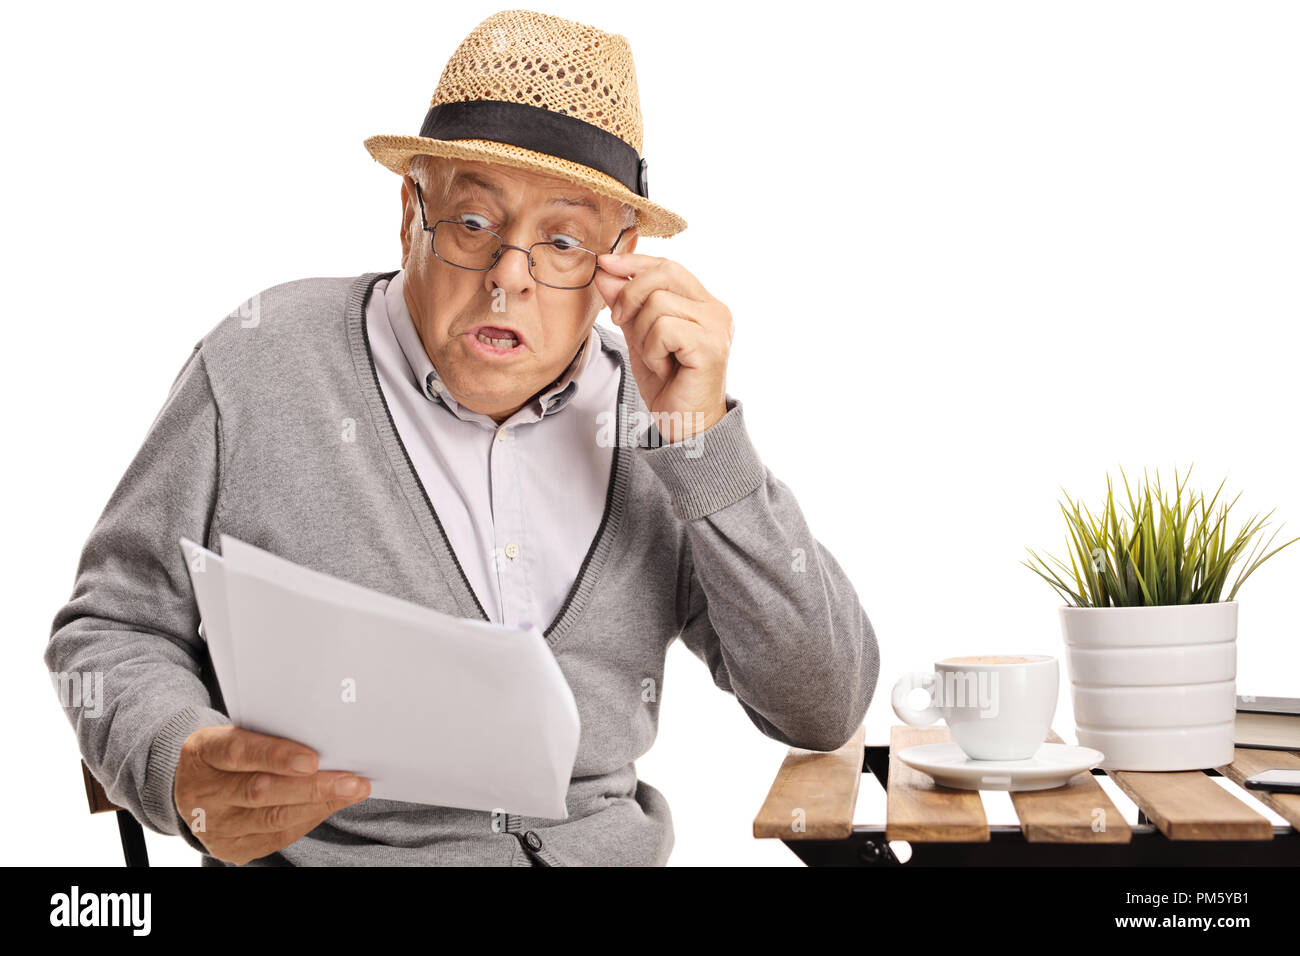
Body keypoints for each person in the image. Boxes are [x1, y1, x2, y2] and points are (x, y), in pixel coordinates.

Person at [46, 8, 879, 866]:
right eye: (474, 224)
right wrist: (176, 758)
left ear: (619, 260)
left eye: (562, 241)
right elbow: (111, 626)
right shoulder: (261, 363)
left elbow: (821, 705)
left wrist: (705, 446)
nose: (508, 279)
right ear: (410, 211)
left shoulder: (655, 419)